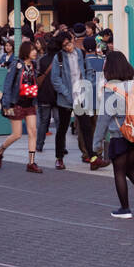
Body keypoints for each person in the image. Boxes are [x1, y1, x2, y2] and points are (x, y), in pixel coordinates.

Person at [92, 51, 134, 219]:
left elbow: (104, 119)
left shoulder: (110, 88)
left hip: (119, 135)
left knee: (119, 171)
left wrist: (96, 144)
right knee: (129, 168)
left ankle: (125, 209)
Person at [0, 42, 43, 172]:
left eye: (35, 50)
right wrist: (6, 104)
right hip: (17, 103)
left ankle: (31, 163)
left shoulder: (33, 65)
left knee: (33, 131)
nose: (35, 52)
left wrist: (36, 101)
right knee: (17, 135)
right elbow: (8, 84)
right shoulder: (16, 65)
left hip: (30, 103)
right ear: (26, 51)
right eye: (32, 50)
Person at [49, 30, 87, 170]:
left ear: (72, 39)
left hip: (80, 97)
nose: (68, 47)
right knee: (62, 128)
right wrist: (68, 94)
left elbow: (85, 71)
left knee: (86, 126)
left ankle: (92, 156)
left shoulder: (81, 54)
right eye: (64, 46)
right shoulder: (58, 57)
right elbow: (55, 79)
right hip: (66, 99)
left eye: (69, 43)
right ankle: (59, 158)